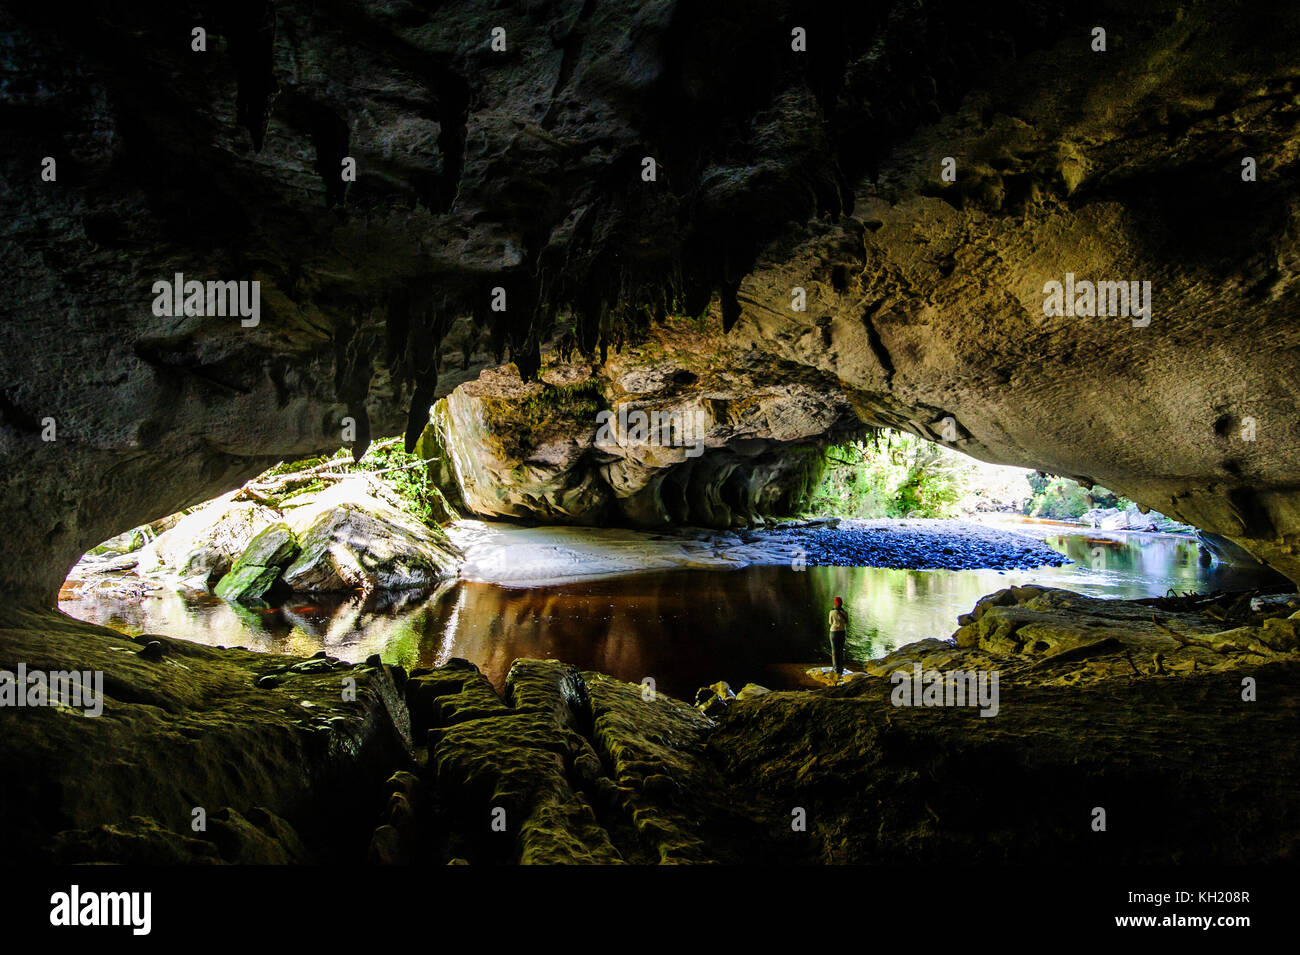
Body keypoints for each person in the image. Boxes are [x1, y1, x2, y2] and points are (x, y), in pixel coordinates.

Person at [828, 596, 849, 682]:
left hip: (834, 632)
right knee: (840, 650)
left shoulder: (832, 612)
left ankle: (835, 669)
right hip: (842, 632)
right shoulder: (845, 613)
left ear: (835, 603)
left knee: (834, 651)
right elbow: (847, 622)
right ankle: (840, 668)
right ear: (841, 603)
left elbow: (830, 622)